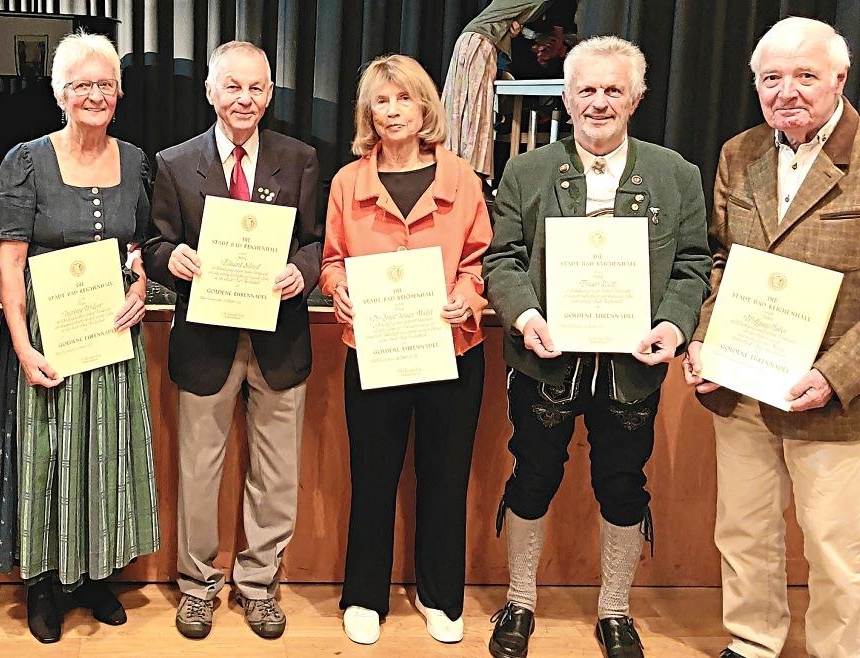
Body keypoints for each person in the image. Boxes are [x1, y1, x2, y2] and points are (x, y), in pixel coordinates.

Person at [482, 36, 711, 658]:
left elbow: (693, 263)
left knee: (623, 484)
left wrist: (674, 324)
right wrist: (525, 314)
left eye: (614, 90)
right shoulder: (527, 171)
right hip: (544, 359)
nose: (600, 101)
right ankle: (520, 601)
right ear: (566, 97)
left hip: (632, 369)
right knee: (532, 477)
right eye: (587, 89)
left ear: (636, 98)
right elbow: (501, 258)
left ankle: (615, 609)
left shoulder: (676, 174)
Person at [683, 17, 860, 658]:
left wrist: (838, 374)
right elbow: (722, 259)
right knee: (744, 530)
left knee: (836, 545)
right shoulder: (740, 152)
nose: (787, 90)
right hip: (745, 382)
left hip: (836, 397)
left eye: (805, 75)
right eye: (771, 78)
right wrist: (703, 340)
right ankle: (753, 639)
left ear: (841, 78)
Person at [0, 31, 159, 643]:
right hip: (46, 338)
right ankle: (45, 585)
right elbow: (9, 262)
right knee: (47, 458)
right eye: (81, 84)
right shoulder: (24, 161)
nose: (94, 95)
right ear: (59, 93)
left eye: (105, 84)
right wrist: (23, 348)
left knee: (102, 459)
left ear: (119, 92)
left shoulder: (135, 160)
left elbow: (135, 245)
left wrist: (139, 286)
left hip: (109, 337)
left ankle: (92, 576)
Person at [142, 40, 320, 641]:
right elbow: (154, 243)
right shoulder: (173, 162)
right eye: (233, 87)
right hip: (205, 342)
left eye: (257, 88)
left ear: (270, 95)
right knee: (198, 470)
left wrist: (305, 271)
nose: (245, 99)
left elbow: (317, 242)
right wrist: (175, 259)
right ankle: (197, 586)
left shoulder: (299, 160)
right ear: (211, 91)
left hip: (280, 340)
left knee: (276, 473)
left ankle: (259, 585)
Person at [319, 54, 492, 646]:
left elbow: (479, 260)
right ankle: (364, 595)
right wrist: (339, 290)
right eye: (381, 100)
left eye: (404, 99)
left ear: (425, 108)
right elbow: (332, 261)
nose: (393, 111)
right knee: (372, 475)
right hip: (375, 349)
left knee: (444, 477)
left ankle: (440, 594)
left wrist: (467, 297)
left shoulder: (462, 179)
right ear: (369, 111)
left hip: (452, 350)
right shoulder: (348, 181)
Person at [441, 0, 552, 181]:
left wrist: (515, 29)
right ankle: (467, 179)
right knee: (474, 114)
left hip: (475, 41)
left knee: (466, 113)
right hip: (478, 43)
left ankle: (461, 176)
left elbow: (512, 22)